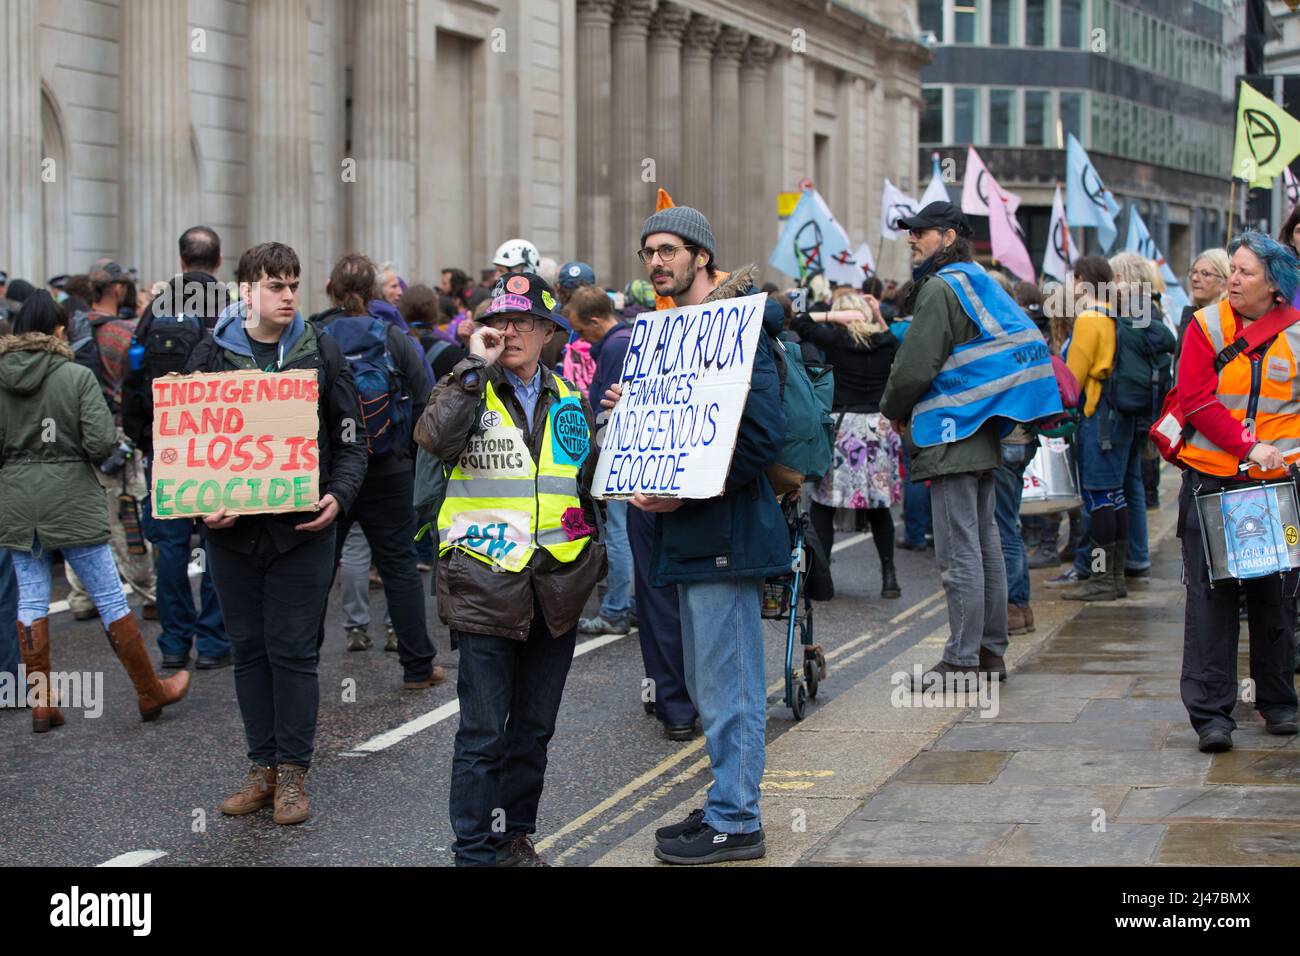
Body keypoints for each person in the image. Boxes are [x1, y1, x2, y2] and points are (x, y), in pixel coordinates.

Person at [414, 271, 605, 866]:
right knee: (480, 736)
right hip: (484, 583)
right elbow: (433, 437)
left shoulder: (569, 399)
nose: (510, 331)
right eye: (500, 320)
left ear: (549, 331)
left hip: (556, 586)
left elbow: (580, 487)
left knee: (533, 731)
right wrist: (473, 369)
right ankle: (473, 852)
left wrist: (587, 550)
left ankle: (514, 836)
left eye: (524, 321)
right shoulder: (466, 384)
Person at [626, 205, 787, 865]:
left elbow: (758, 436)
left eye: (669, 249)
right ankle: (726, 799)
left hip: (724, 533)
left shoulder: (740, 329)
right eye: (649, 253)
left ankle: (738, 821)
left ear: (701, 255)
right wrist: (633, 414)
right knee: (706, 684)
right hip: (688, 539)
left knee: (732, 688)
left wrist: (683, 488)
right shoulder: (671, 330)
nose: (658, 262)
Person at [188, 242, 367, 825]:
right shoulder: (211, 353)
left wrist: (338, 497)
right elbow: (181, 448)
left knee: (293, 653)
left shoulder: (321, 350)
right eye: (274, 285)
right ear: (246, 290)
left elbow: (351, 438)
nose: (288, 295)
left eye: (293, 284)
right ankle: (260, 767)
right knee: (248, 653)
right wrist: (201, 510)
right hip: (232, 536)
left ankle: (293, 774)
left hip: (301, 533)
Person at [881, 201, 1054, 685]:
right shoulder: (981, 282)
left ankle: (961, 660)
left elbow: (914, 367)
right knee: (987, 546)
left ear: (950, 236)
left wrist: (893, 408)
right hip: (981, 432)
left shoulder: (940, 288)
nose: (912, 239)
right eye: (910, 233)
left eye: (922, 232)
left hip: (949, 435)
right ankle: (990, 653)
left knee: (959, 555)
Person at [0, 292, 189, 733]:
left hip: (17, 501)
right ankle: (148, 691)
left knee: (30, 596)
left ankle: (42, 704)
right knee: (107, 593)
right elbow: (102, 442)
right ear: (61, 330)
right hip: (70, 498)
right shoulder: (73, 375)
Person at [1174, 231, 1300, 752]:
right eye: (1233, 268)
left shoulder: (1295, 330)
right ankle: (1212, 716)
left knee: (1276, 596)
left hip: (1279, 484)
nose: (1233, 279)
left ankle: (1278, 702)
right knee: (1212, 599)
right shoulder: (1204, 325)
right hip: (1212, 481)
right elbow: (1197, 402)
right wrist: (1250, 446)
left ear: (1275, 285)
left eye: (1246, 272)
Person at [312, 254, 441, 684]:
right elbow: (426, 399)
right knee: (399, 567)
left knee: (318, 568)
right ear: (373, 293)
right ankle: (417, 666)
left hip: (329, 474)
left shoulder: (312, 336)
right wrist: (404, 449)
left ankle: (303, 662)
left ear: (329, 288)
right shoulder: (393, 338)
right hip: (387, 468)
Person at [122, 226, 232, 670]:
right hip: (219, 443)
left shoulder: (156, 310)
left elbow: (133, 381)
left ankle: (173, 643)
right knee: (217, 541)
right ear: (218, 261)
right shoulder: (229, 307)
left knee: (169, 546)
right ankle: (212, 642)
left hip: (165, 444)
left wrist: (140, 436)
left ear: (182, 259)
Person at [793, 290, 902, 599]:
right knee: (879, 507)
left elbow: (799, 320)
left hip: (844, 431)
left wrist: (830, 315)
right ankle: (890, 577)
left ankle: (820, 581)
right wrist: (878, 314)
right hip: (878, 430)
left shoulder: (837, 341)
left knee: (824, 505)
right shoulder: (885, 342)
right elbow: (895, 341)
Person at [65, 265, 158, 621]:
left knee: (81, 518)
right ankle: (150, 591)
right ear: (117, 290)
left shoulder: (72, 330)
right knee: (127, 517)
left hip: (75, 438)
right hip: (116, 439)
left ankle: (81, 596)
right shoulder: (123, 333)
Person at [563, 285, 637, 640]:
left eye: (580, 329)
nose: (579, 336)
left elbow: (611, 409)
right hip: (624, 450)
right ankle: (626, 603)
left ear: (595, 320)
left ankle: (616, 609)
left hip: (616, 451)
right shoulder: (621, 339)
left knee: (617, 531)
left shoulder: (615, 345)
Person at [1059, 256, 1132, 602]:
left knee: (1099, 499)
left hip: (1097, 416)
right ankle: (1114, 576)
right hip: (1119, 417)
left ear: (1082, 280)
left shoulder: (1089, 318)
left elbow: (1072, 379)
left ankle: (1101, 577)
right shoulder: (1115, 315)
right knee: (1115, 497)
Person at [1175, 249, 1229, 366]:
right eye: (1193, 272)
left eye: (1205, 274)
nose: (1195, 278)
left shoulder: (1229, 321)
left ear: (1224, 282)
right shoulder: (1189, 315)